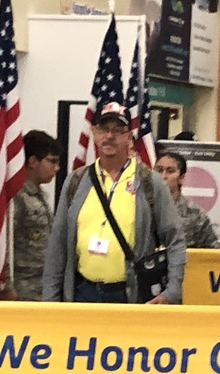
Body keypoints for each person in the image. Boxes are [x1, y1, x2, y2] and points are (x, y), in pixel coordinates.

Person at [41, 102, 185, 304]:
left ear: (129, 137)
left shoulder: (149, 182)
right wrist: (50, 298)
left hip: (129, 295)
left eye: (118, 131)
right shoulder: (76, 181)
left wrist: (171, 291)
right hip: (82, 292)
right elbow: (58, 243)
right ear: (94, 132)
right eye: (103, 129)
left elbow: (175, 239)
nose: (109, 136)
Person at [0, 130, 60, 301]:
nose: (56, 168)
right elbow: (4, 245)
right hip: (21, 288)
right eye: (51, 161)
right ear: (33, 161)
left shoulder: (38, 195)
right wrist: (6, 286)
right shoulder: (16, 197)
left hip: (42, 286)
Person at [155, 150, 218, 248]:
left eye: (170, 171)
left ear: (182, 178)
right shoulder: (141, 207)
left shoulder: (195, 214)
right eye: (159, 170)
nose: (163, 176)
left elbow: (212, 253)